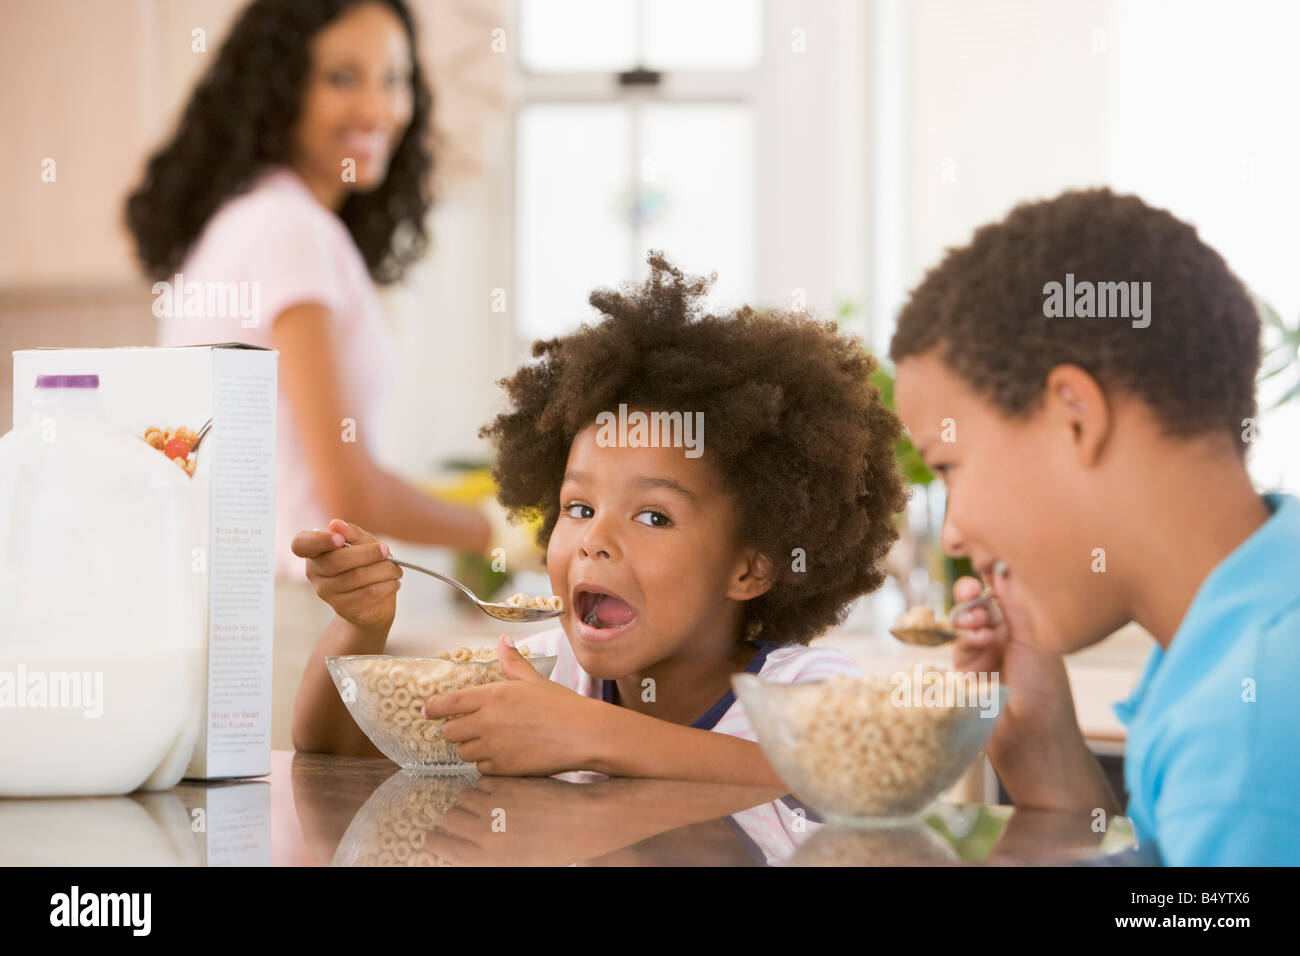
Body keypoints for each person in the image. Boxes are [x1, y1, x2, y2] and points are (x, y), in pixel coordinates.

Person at [289, 253, 909, 785]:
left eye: (654, 516)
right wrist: (359, 628)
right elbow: (331, 751)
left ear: (750, 568)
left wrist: (589, 733)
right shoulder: (543, 671)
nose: (594, 541)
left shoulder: (803, 690)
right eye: (579, 508)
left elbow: (843, 776)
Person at [889, 187, 1300, 865]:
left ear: (1076, 416)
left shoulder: (1247, 732)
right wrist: (1045, 763)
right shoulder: (1234, 645)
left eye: (949, 466)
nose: (954, 534)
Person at [124, 0, 494, 749]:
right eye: (341, 77)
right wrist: (497, 533)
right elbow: (346, 491)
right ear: (280, 89)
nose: (378, 106)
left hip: (224, 613)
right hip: (285, 619)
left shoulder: (244, 222)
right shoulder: (292, 231)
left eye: (395, 79)